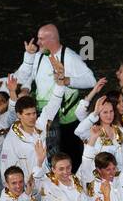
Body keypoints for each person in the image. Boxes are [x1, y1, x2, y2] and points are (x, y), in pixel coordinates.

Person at [13, 24, 97, 166]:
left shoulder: (70, 57)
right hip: (43, 114)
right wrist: (26, 89)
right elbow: (27, 77)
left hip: (66, 120)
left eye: (41, 39)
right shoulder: (39, 56)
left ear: (51, 39)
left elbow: (91, 80)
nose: (37, 42)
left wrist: (67, 80)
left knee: (65, 156)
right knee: (46, 152)